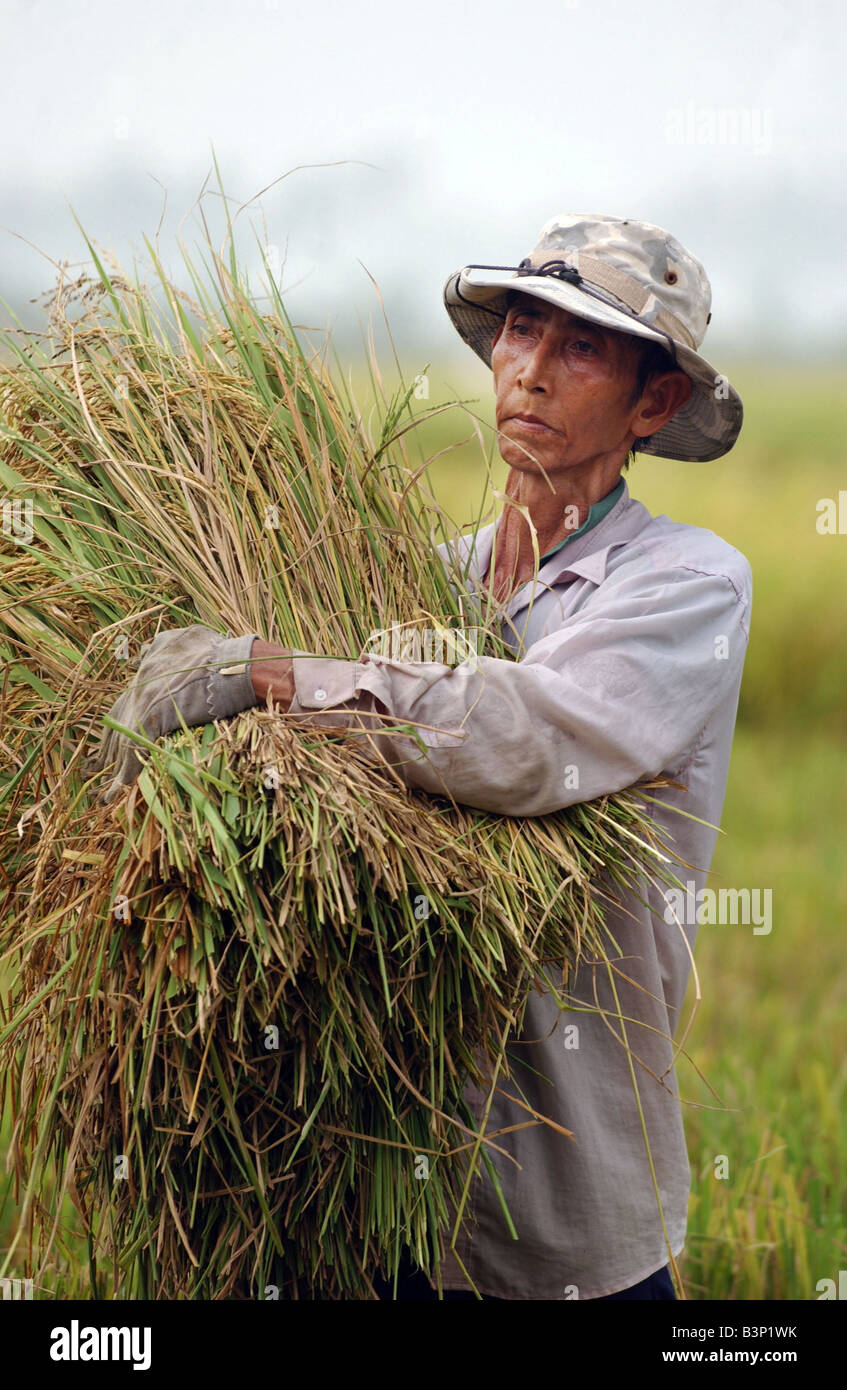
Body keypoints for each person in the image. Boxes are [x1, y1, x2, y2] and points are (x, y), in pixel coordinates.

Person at [86, 214, 752, 1301]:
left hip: (555, 1203)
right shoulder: (420, 584)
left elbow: (523, 736)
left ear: (654, 401)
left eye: (580, 347)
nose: (530, 371)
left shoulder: (684, 587)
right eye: (521, 331)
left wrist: (265, 674)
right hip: (360, 1184)